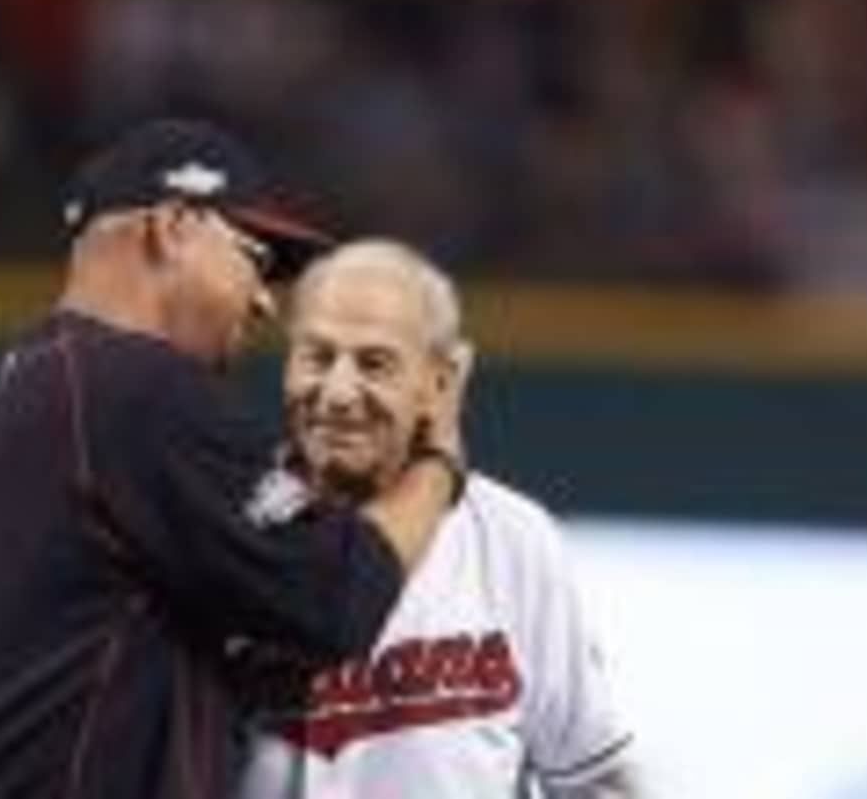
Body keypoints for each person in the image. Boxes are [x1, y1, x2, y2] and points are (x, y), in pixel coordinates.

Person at [0, 122, 465, 799]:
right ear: (174, 226)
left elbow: (261, 654)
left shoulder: (43, 388)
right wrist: (438, 456)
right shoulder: (131, 388)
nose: (265, 300)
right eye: (255, 258)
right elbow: (338, 593)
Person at [232, 239, 638, 798]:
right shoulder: (232, 528)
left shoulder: (510, 538)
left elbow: (593, 775)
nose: (339, 392)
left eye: (374, 363)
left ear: (440, 384)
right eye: (317, 356)